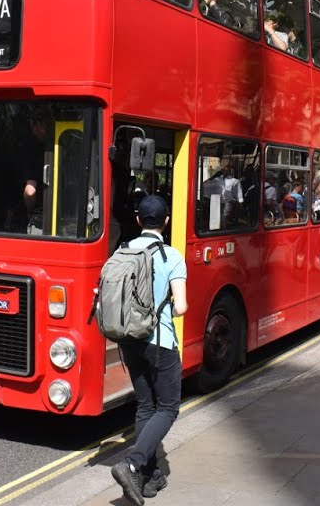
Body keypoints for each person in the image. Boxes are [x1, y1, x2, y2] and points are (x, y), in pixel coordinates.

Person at [110, 194, 187, 506]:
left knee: (145, 406)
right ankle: (132, 463)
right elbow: (181, 307)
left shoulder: (122, 251)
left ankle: (148, 477)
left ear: (139, 220)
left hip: (128, 339)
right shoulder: (171, 256)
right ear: (165, 222)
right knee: (168, 408)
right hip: (160, 342)